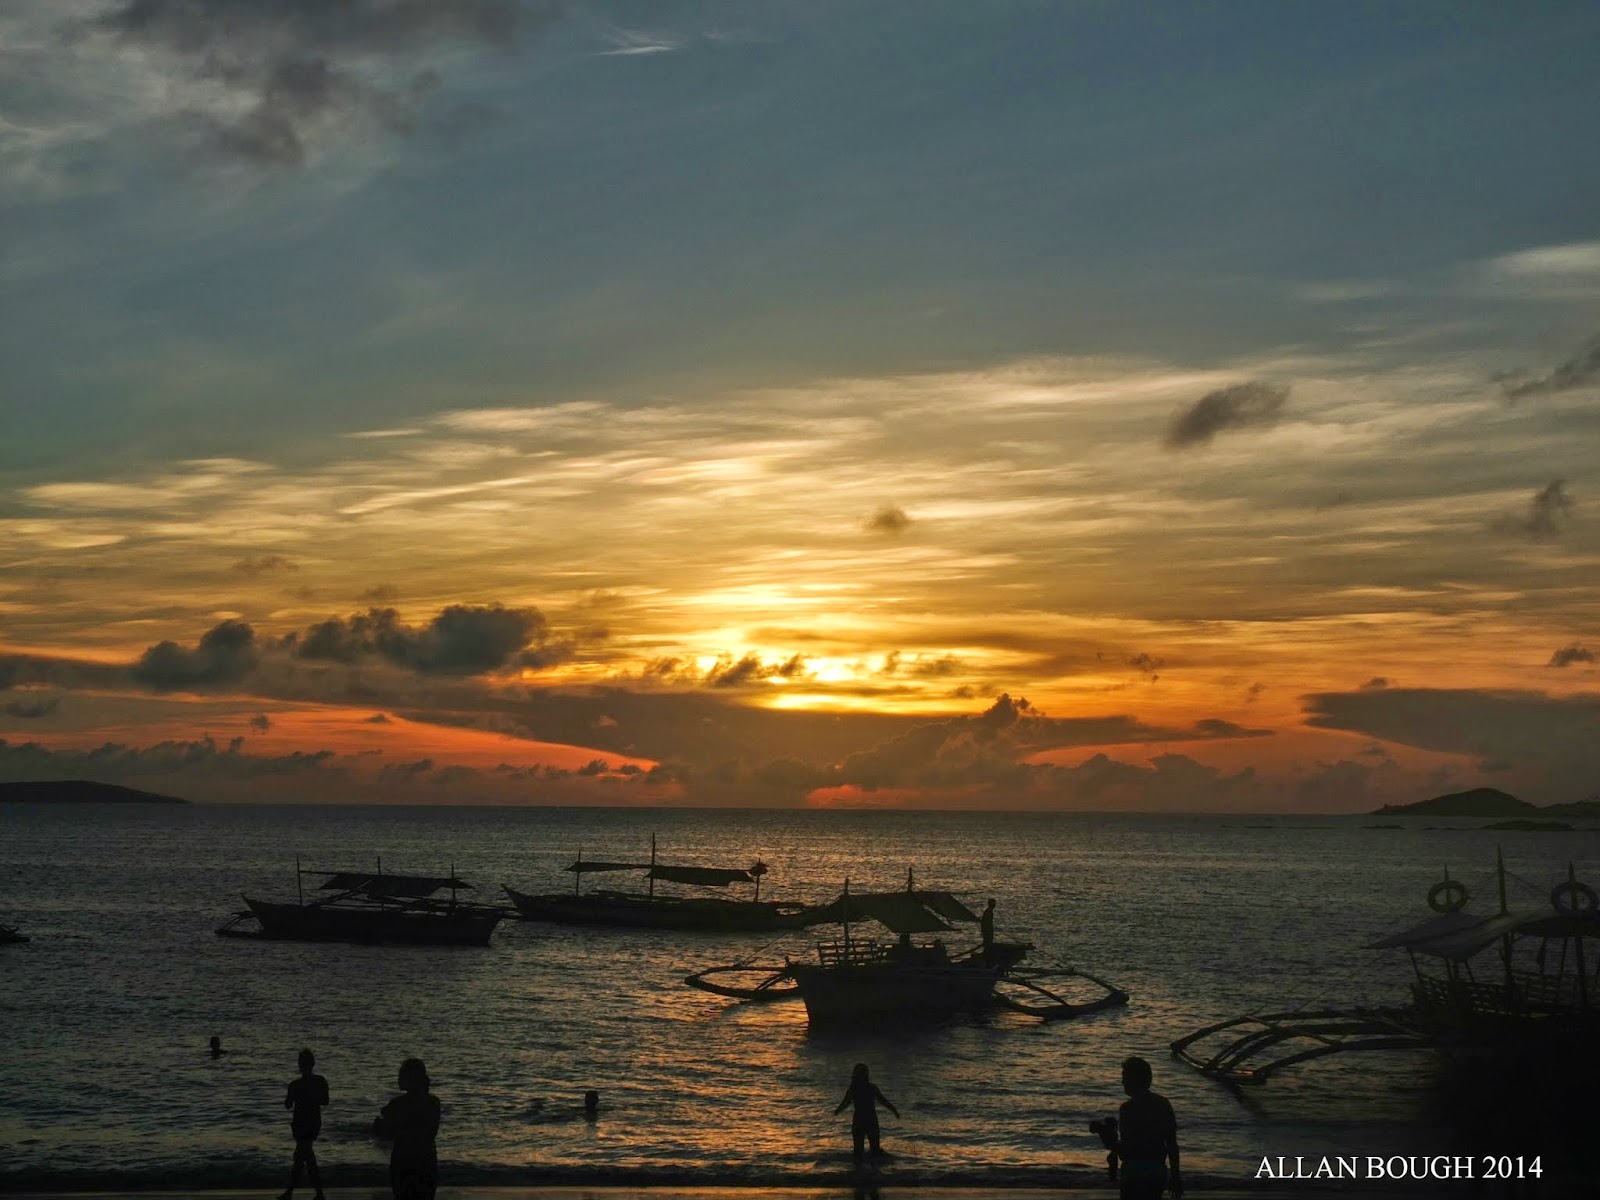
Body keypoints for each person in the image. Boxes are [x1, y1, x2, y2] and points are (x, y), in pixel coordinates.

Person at [374, 1057, 440, 1200]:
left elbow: (385, 1134)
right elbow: (431, 1132)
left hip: (403, 1159)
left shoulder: (396, 1104)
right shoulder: (433, 1102)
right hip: (426, 1159)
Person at [1115, 1056, 1181, 1200]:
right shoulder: (1163, 1104)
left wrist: (1110, 1141)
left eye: (1125, 1077)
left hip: (1133, 1172)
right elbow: (1171, 1144)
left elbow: (1127, 1148)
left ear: (1136, 1079)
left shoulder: (1127, 1109)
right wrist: (1176, 1175)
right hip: (1156, 1171)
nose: (1122, 1081)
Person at [279, 1048, 328, 1200]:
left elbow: (288, 1105)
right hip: (313, 1124)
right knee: (302, 1157)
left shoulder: (295, 1084)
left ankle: (299, 1193)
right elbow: (325, 1101)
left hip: (301, 1124)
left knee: (303, 1157)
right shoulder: (320, 1081)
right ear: (313, 1064)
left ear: (299, 1065)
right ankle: (294, 1192)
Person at [834, 1062, 900, 1160]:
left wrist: (837, 1111)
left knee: (858, 1151)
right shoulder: (870, 1088)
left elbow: (845, 1103)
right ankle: (873, 1172)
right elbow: (883, 1101)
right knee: (874, 1150)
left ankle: (858, 1172)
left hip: (859, 1120)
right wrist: (894, 1110)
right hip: (870, 1120)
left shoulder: (854, 1089)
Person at [979, 899, 996, 964]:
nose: (994, 905)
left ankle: (987, 956)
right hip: (987, 931)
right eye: (993, 903)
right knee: (987, 943)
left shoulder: (989, 911)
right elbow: (985, 923)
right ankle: (986, 957)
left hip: (988, 931)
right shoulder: (988, 912)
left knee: (988, 944)